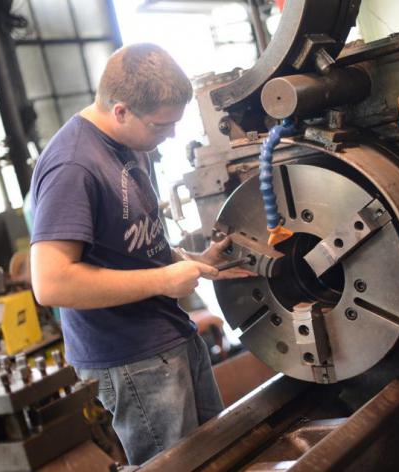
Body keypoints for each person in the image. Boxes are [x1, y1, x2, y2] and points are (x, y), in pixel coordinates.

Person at [29, 43, 252, 465]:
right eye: (160, 126)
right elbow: (51, 282)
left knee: (218, 457)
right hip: (131, 358)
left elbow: (129, 241)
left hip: (169, 335)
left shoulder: (130, 144)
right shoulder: (73, 165)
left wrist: (190, 258)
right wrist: (165, 281)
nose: (168, 136)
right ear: (120, 111)